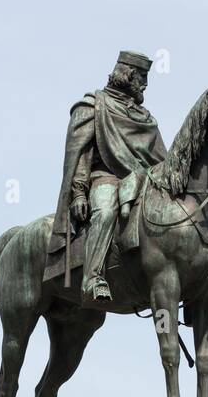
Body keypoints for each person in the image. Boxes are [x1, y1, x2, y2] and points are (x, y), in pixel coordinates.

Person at [48, 51, 166, 303]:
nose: (145, 84)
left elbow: (162, 163)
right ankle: (92, 277)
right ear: (127, 76)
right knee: (105, 211)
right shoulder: (93, 105)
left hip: (144, 182)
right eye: (141, 77)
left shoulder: (146, 119)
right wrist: (79, 192)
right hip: (105, 178)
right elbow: (80, 153)